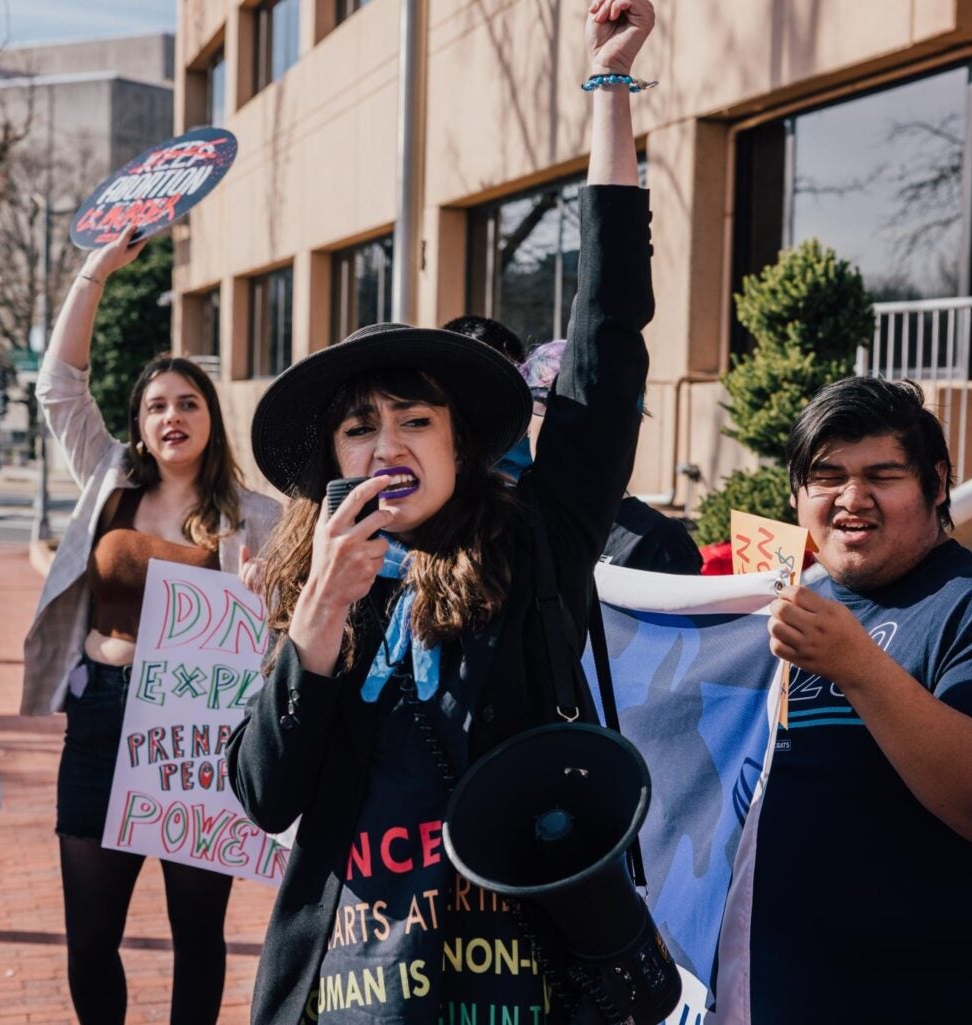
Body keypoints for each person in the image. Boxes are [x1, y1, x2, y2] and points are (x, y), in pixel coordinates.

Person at [225, 1, 656, 1021]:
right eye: (360, 429)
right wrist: (318, 615)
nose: (389, 446)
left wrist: (610, 91)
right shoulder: (314, 577)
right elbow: (264, 793)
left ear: (460, 444)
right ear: (331, 461)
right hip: (355, 983)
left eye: (416, 420)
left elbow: (609, 336)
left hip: (528, 976)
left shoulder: (535, 540)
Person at [751, 375, 972, 1023]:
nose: (851, 498)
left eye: (882, 474)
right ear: (796, 494)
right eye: (826, 475)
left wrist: (860, 667)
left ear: (936, 482)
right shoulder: (787, 604)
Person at [21, 226, 281, 1025]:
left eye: (189, 402)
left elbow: (286, 628)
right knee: (89, 938)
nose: (173, 415)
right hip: (101, 716)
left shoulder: (261, 517)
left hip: (200, 734)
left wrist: (264, 597)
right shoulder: (110, 481)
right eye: (157, 404)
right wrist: (96, 270)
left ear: (211, 418)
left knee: (197, 934)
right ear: (139, 421)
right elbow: (58, 387)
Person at [519, 339, 701, 574]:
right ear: (525, 420)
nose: (562, 421)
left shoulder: (658, 541)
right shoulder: (498, 523)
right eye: (545, 401)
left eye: (589, 408)